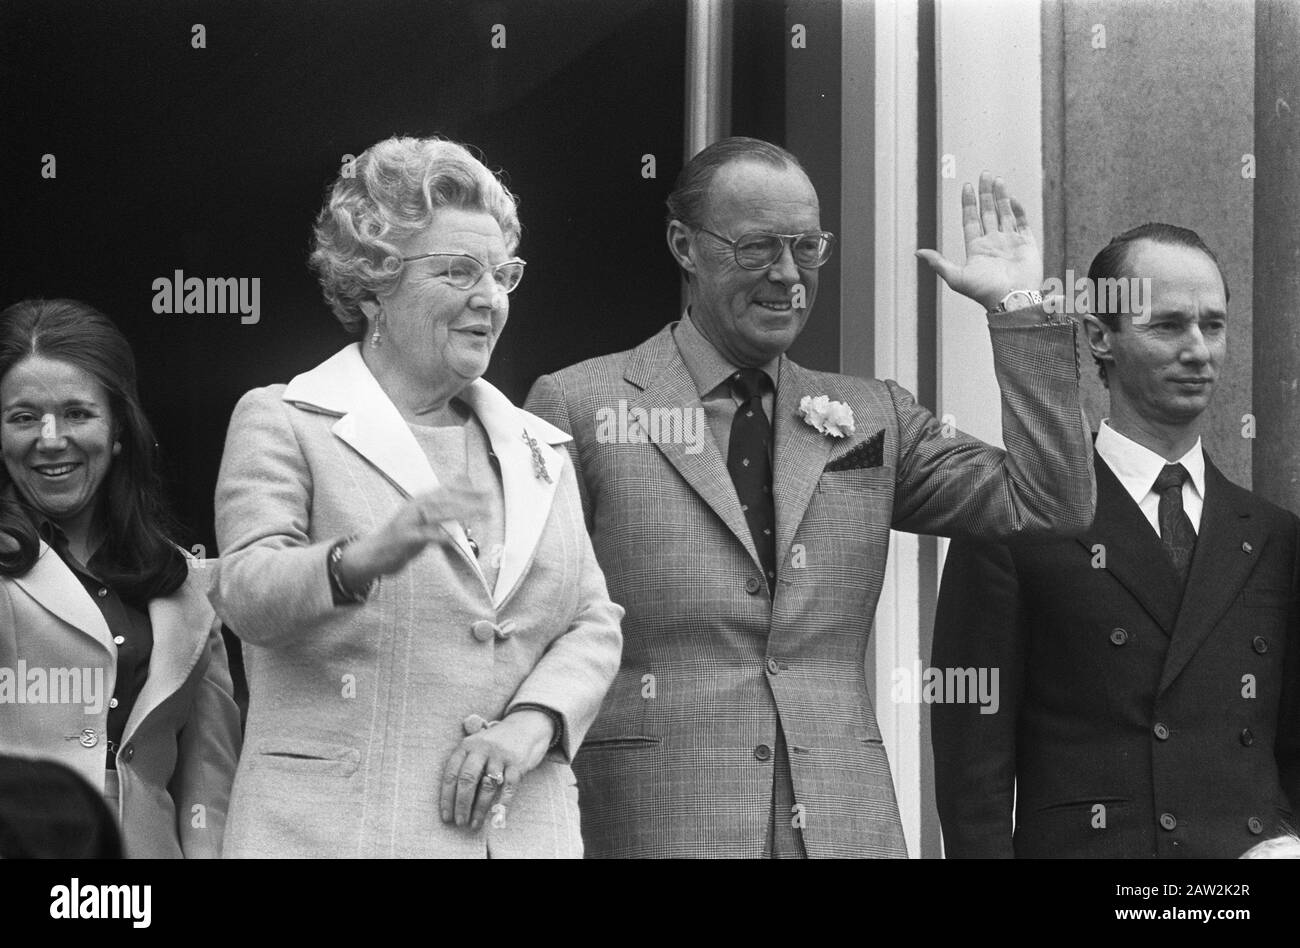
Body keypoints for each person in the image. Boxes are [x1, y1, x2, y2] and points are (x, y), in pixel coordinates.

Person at [524, 136, 1095, 858]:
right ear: (684, 245)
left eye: (807, 247)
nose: (788, 274)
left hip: (844, 825)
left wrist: (1017, 308)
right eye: (758, 247)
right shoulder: (580, 405)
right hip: (657, 821)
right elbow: (530, 622)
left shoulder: (872, 413)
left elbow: (1049, 502)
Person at [209, 135, 623, 858]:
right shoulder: (286, 419)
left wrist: (530, 726)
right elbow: (243, 594)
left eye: (502, 274)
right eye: (459, 271)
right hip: (335, 835)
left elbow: (593, 620)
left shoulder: (536, 446)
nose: (488, 298)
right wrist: (358, 560)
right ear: (374, 282)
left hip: (520, 836)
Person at [932, 223, 1300, 858]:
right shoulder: (1011, 524)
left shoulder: (1272, 535)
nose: (1198, 350)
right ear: (1100, 337)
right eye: (1168, 325)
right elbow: (974, 782)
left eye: (1213, 326)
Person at [0, 298, 241, 858]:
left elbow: (210, 779)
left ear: (118, 430)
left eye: (78, 414)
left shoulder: (184, 580)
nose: (51, 437)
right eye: (23, 416)